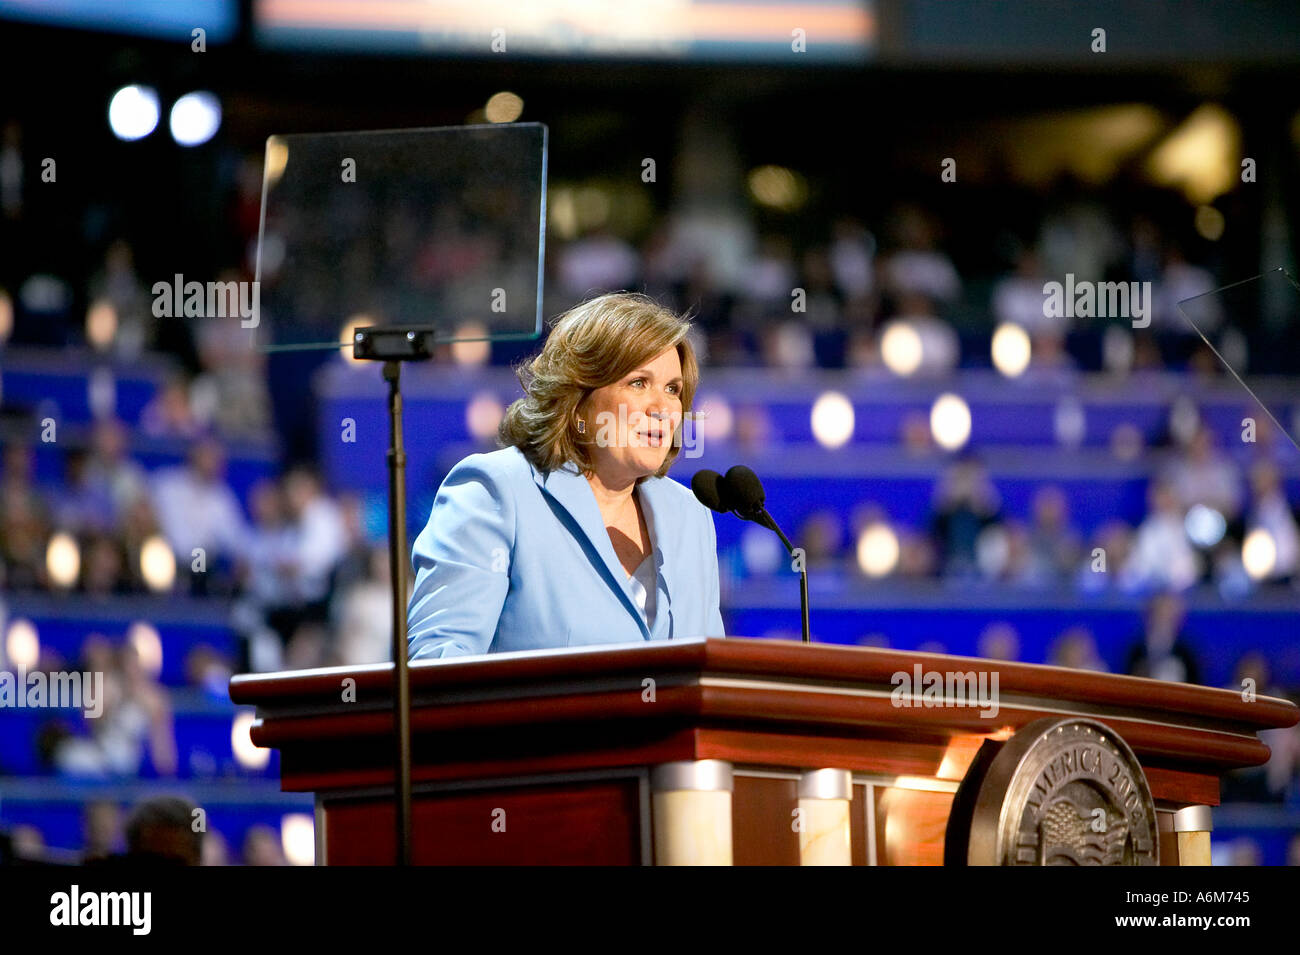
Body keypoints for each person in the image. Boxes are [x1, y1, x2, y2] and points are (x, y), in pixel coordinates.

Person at [407, 292, 725, 659]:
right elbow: (438, 661)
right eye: (639, 382)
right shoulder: (497, 491)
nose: (663, 408)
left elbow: (710, 671)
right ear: (578, 398)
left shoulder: (690, 515)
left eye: (673, 389)